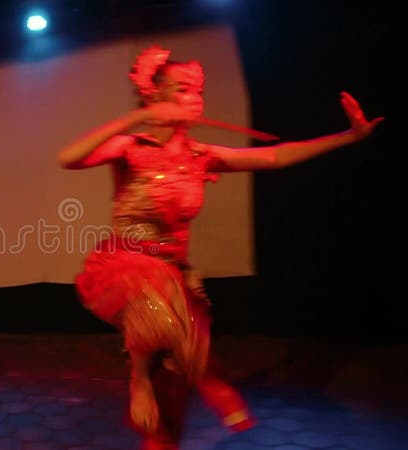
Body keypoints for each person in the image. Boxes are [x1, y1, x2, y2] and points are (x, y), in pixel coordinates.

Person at [56, 45, 383, 450]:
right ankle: (142, 379)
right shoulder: (131, 147)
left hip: (173, 274)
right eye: (182, 90)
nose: (194, 99)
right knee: (163, 311)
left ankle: (162, 434)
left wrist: (349, 137)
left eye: (198, 92)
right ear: (155, 95)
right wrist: (137, 118)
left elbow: (275, 157)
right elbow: (68, 158)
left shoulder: (201, 157)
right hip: (127, 265)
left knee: (172, 385)